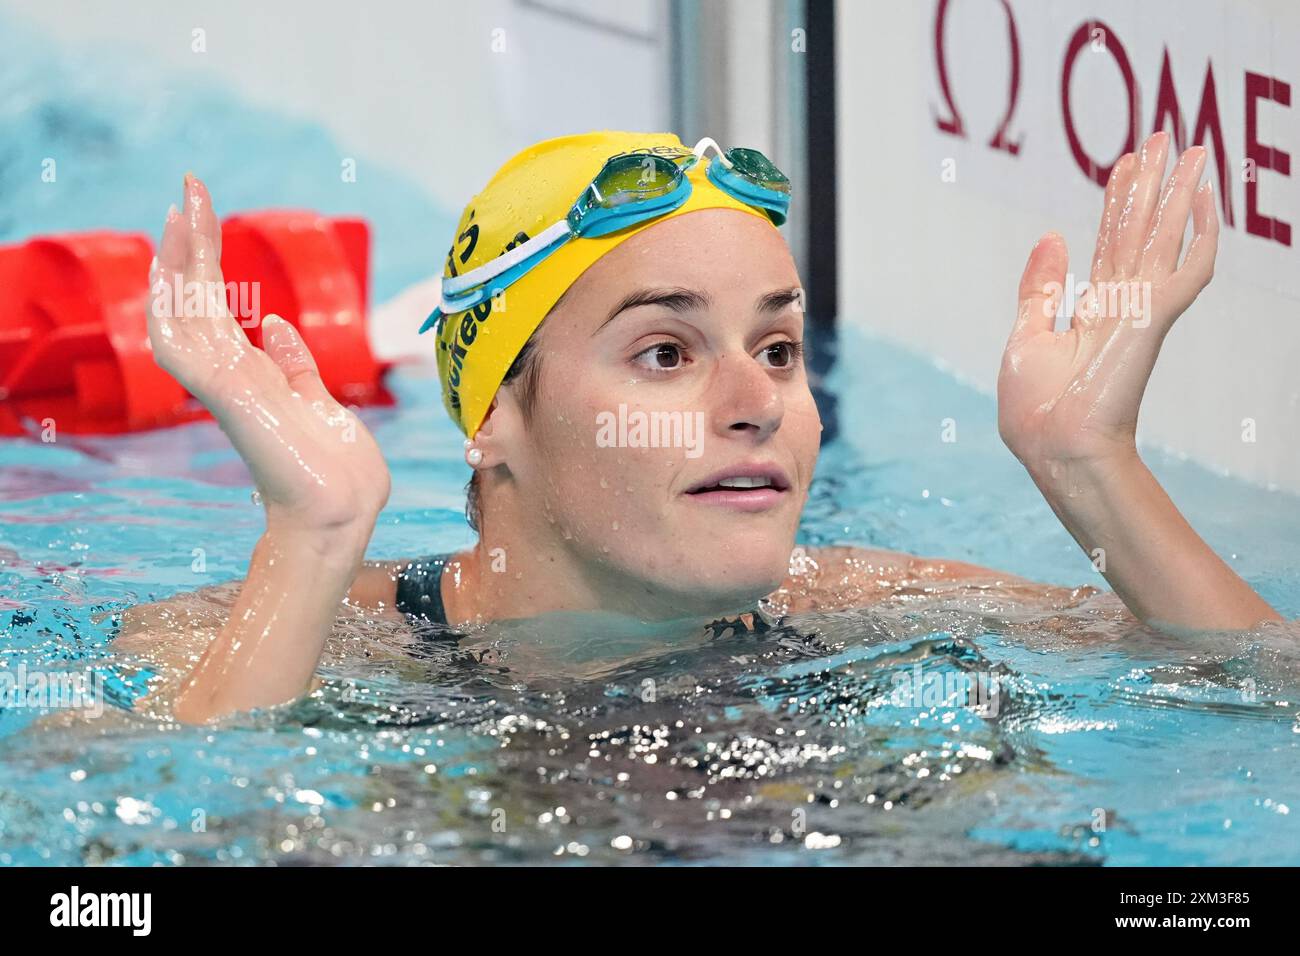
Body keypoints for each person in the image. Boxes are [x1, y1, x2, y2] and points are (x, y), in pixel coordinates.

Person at [126, 129, 1281, 725]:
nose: (756, 401)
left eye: (777, 348)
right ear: (494, 418)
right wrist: (313, 535)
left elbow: (1265, 689)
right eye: (666, 353)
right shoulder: (290, 632)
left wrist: (1088, 464)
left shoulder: (866, 606)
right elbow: (151, 845)